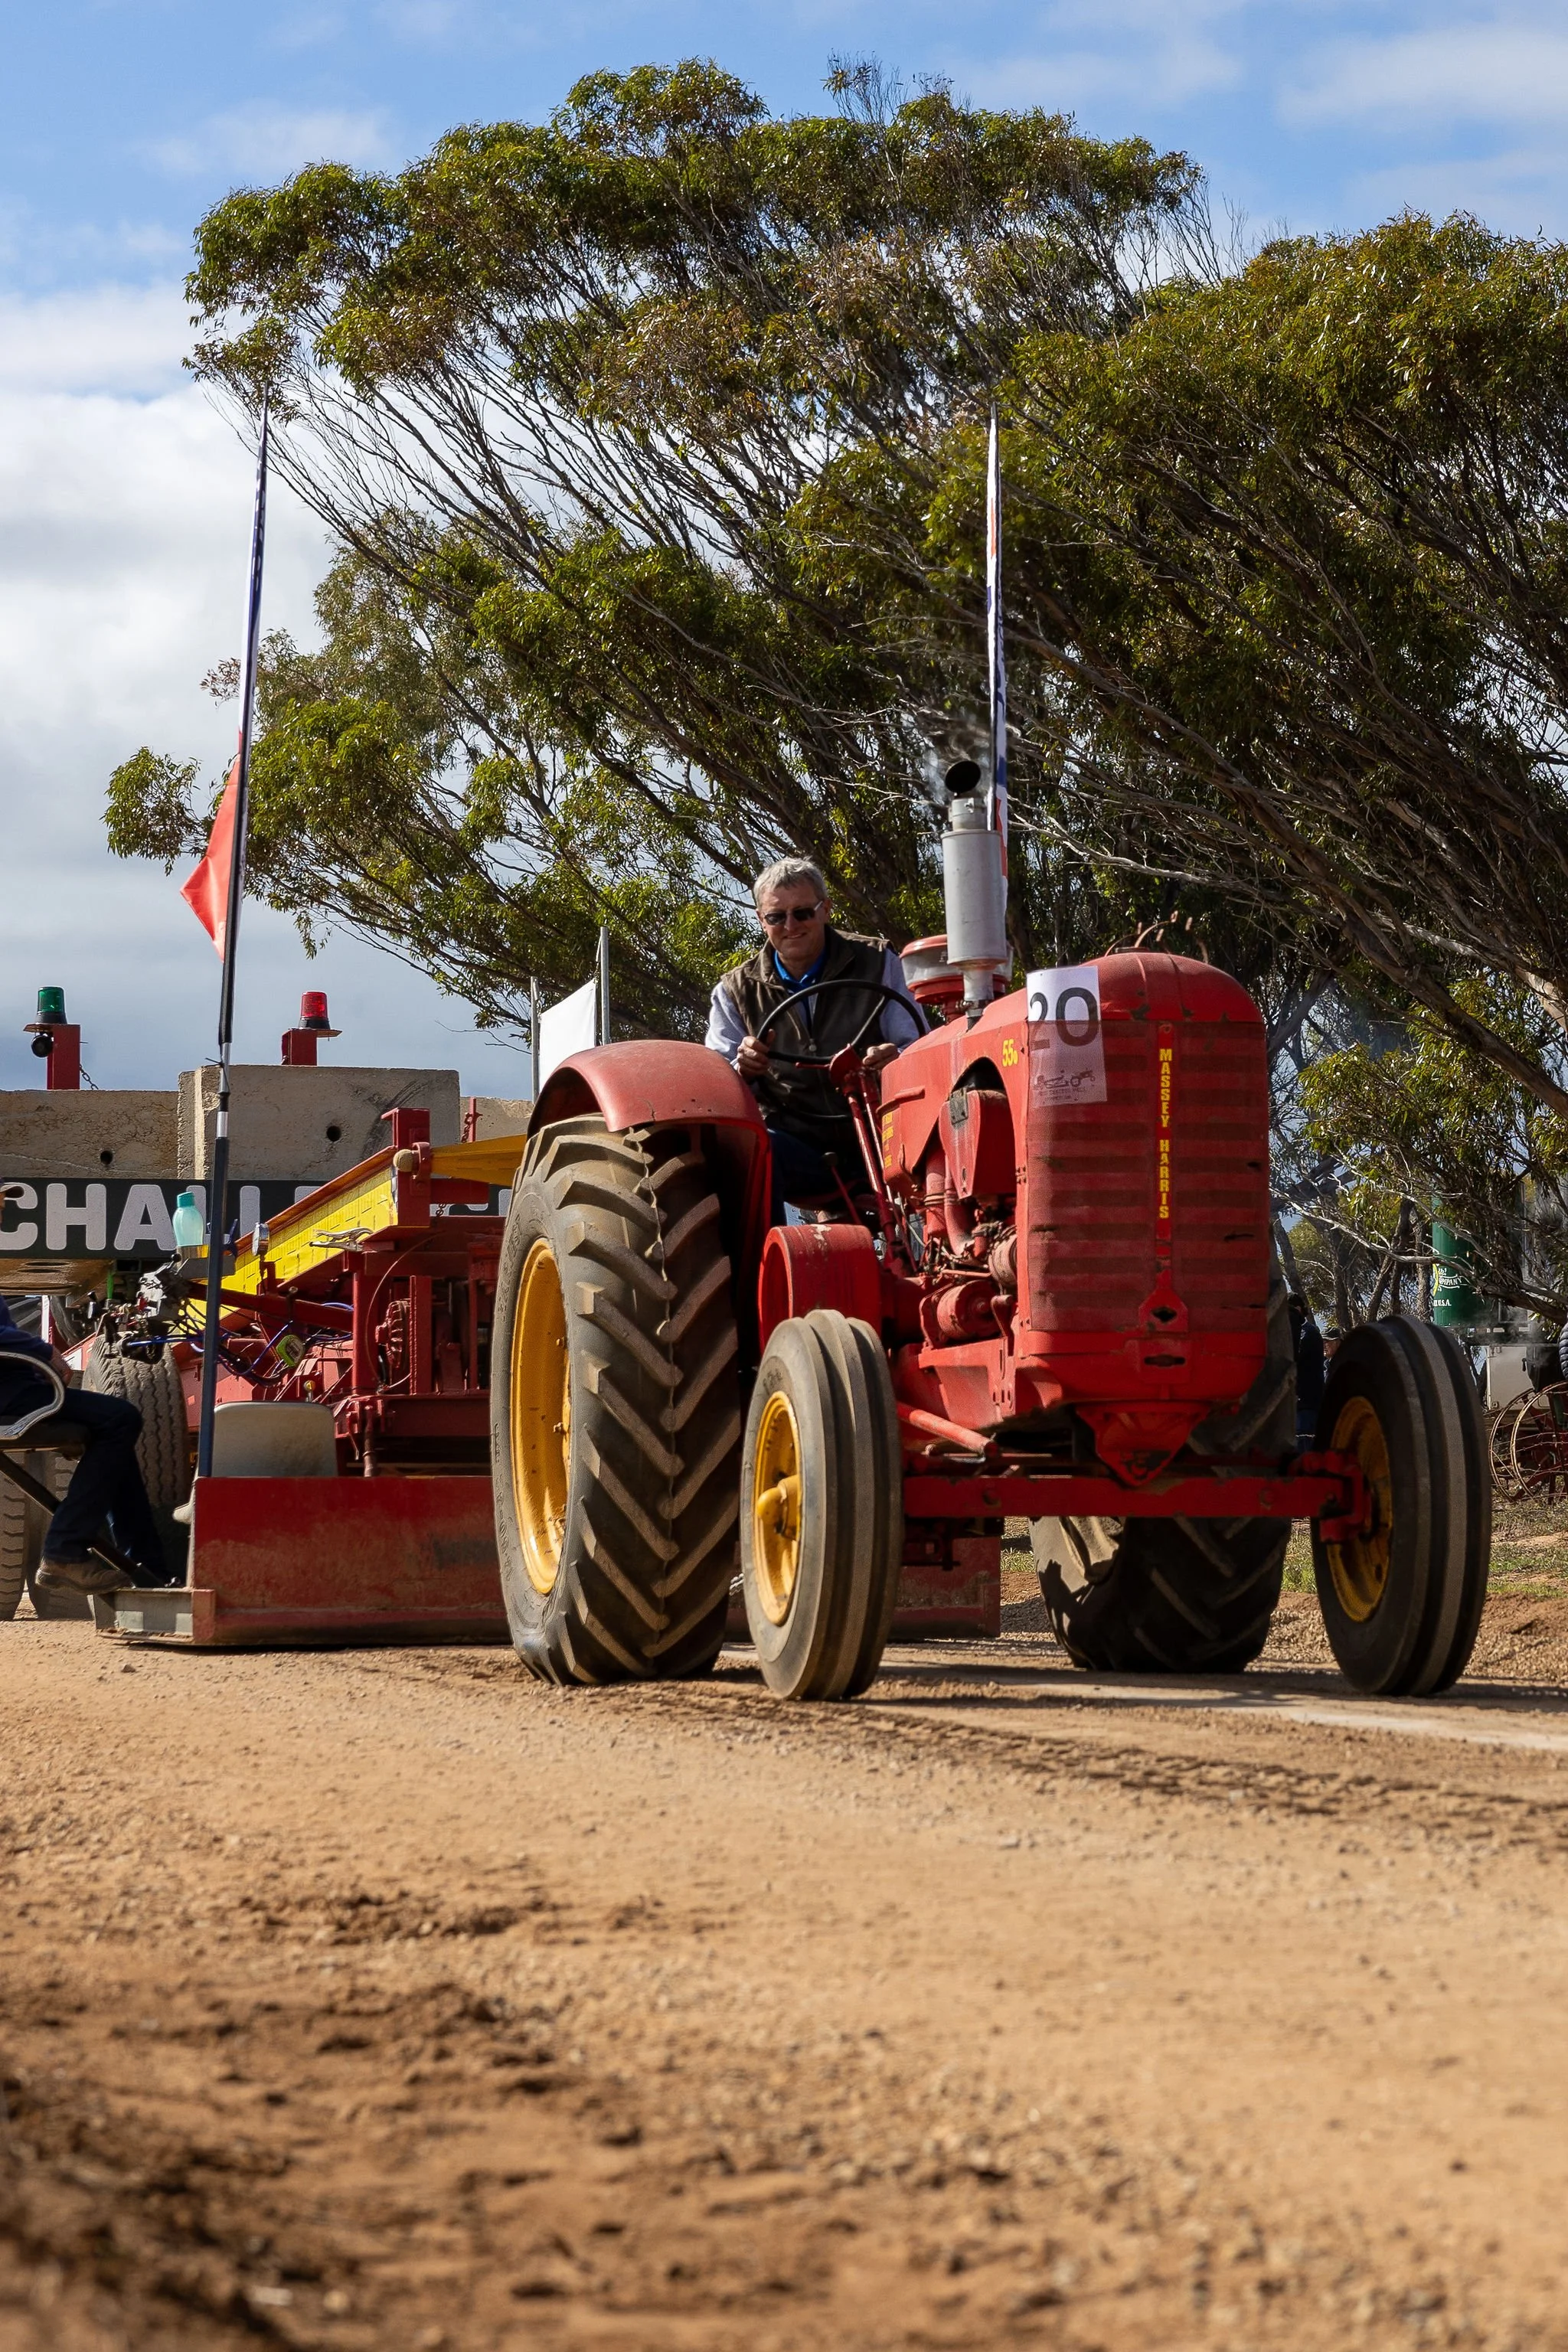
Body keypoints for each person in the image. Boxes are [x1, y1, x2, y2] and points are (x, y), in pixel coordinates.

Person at [706, 857, 923, 1223]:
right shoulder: (735, 991)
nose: (791, 926)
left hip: (885, 1137)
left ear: (825, 910)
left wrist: (895, 1059)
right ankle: (763, 1272)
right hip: (801, 1151)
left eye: (803, 913)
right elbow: (717, 1086)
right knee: (755, 1149)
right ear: (762, 920)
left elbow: (916, 1045)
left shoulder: (879, 961)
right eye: (777, 917)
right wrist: (743, 1069)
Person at [0, 1293, 165, 1596]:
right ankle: (64, 1549)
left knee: (111, 1435)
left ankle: (150, 1567)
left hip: (14, 1389)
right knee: (121, 1419)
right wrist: (43, 1351)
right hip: (8, 1398)